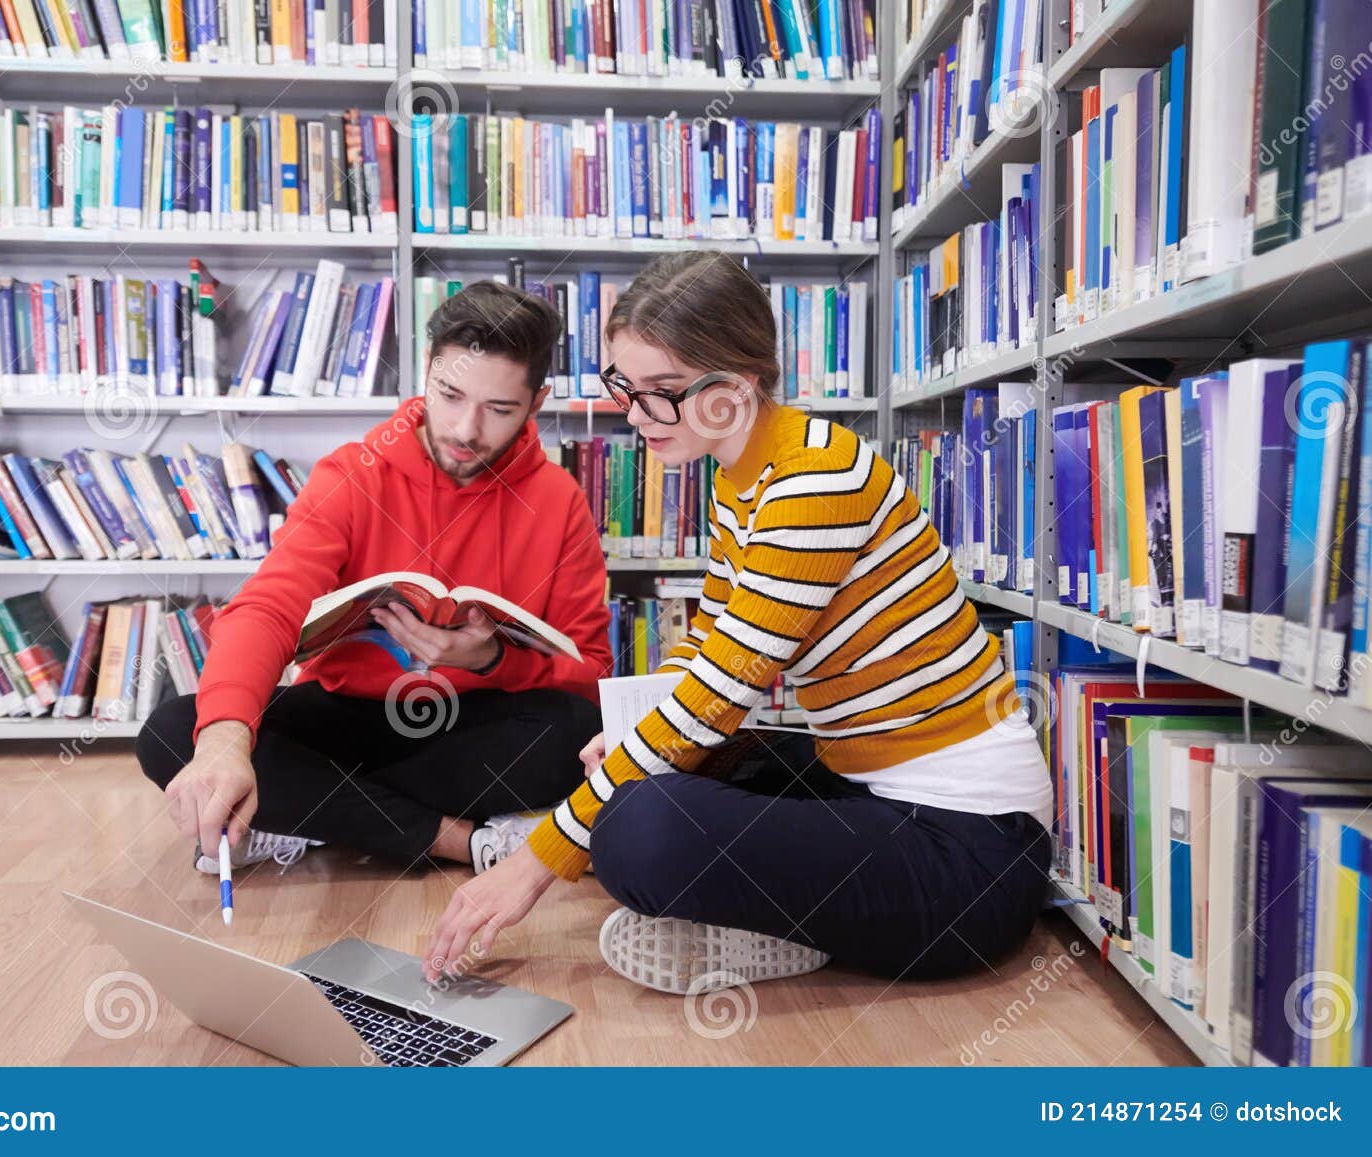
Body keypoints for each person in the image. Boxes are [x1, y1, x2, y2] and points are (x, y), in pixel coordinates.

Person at [426, 251, 1055, 993]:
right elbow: (708, 644)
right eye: (626, 387)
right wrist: (634, 731)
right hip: (872, 791)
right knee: (640, 784)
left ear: (736, 384)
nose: (636, 415)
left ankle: (786, 920)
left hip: (971, 855)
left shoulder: (815, 479)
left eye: (663, 392)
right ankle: (790, 913)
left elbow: (722, 691)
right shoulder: (743, 474)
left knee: (638, 828)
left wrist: (537, 859)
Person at [137, 282, 610, 877]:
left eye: (499, 409)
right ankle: (464, 842)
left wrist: (492, 659)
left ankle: (308, 814)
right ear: (427, 370)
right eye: (450, 394)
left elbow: (591, 673)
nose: (466, 429)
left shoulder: (560, 500)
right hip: (345, 714)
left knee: (577, 731)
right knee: (173, 731)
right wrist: (226, 741)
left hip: (474, 725)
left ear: (537, 403)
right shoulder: (352, 474)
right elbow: (268, 608)